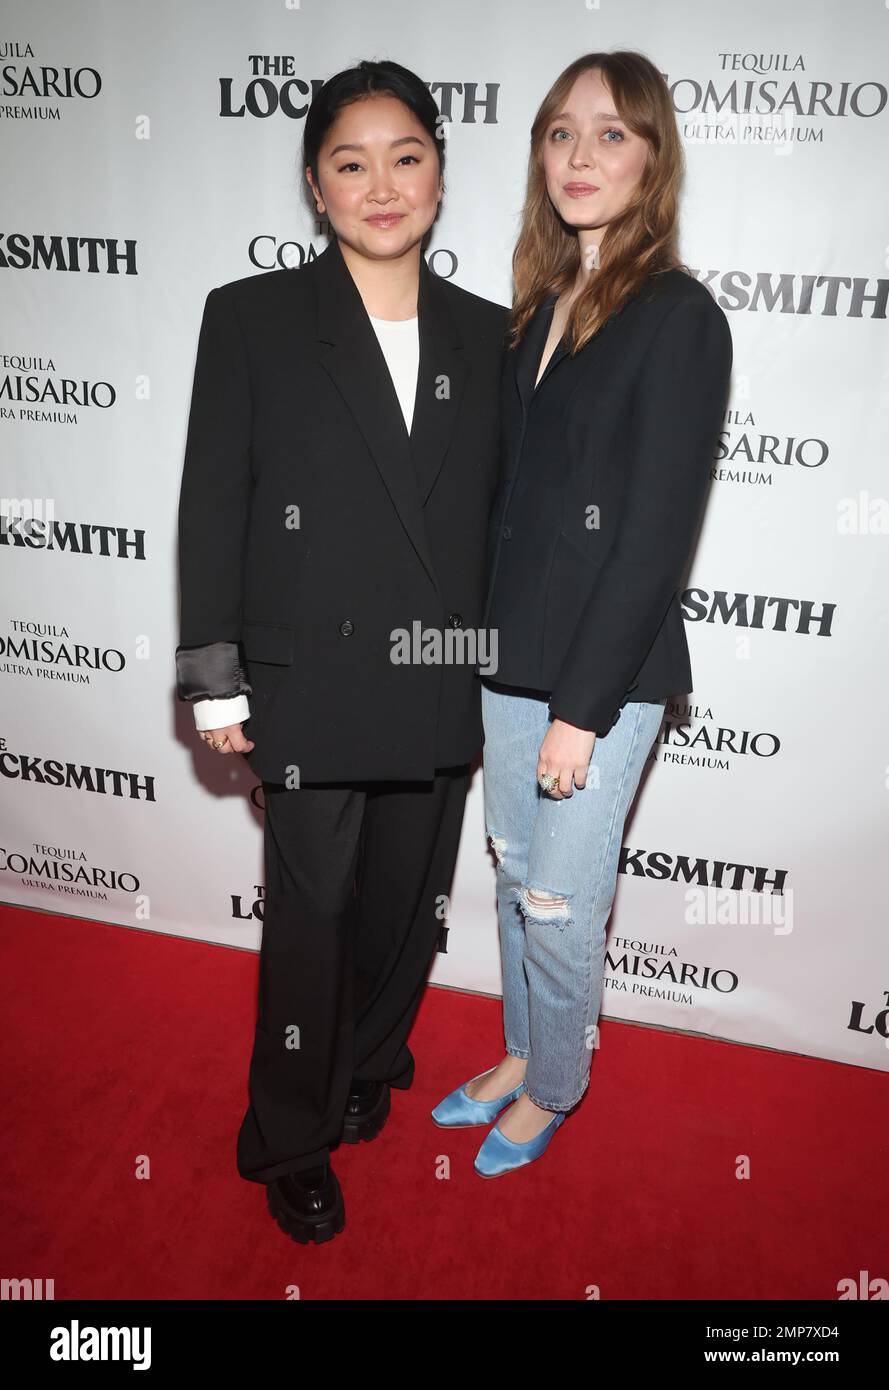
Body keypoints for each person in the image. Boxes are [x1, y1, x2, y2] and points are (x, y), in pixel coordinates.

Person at [175, 59, 506, 1239]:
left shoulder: (492, 332)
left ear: (439, 174)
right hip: (306, 681)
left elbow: (501, 520)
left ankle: (369, 1060)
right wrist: (215, 676)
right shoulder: (253, 317)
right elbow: (213, 502)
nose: (381, 185)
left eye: (405, 157)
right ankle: (289, 1135)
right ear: (314, 186)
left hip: (435, 678)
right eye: (350, 162)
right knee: (308, 922)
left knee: (407, 909)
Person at [431, 51, 733, 1177]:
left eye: (610, 133)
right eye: (560, 133)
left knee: (557, 903)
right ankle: (521, 1049)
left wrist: (583, 710)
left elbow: (655, 538)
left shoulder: (679, 317)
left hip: (598, 682)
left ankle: (555, 1087)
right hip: (507, 663)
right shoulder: (539, 306)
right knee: (514, 875)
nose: (580, 155)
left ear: (651, 155)